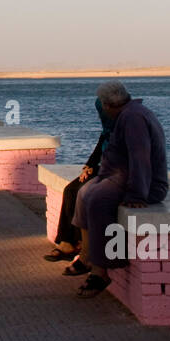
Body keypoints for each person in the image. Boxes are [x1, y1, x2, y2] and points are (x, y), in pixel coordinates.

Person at [72, 80, 169, 298]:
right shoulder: (127, 114)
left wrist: (136, 194)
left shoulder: (133, 118)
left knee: (98, 200)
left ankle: (103, 269)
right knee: (83, 193)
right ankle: (87, 256)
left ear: (107, 105)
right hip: (117, 176)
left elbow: (140, 157)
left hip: (145, 184)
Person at [44, 97, 114, 267]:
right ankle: (66, 241)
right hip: (101, 169)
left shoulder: (123, 127)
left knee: (82, 192)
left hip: (114, 173)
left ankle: (80, 244)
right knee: (70, 190)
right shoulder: (108, 127)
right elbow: (100, 147)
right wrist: (89, 166)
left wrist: (95, 170)